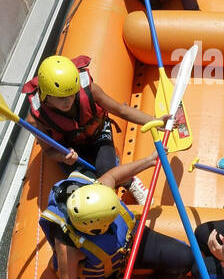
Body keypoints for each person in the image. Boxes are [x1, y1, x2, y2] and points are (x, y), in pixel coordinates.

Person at [40, 163, 194, 279]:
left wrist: (150, 160)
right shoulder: (68, 246)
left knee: (184, 257)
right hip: (99, 278)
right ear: (98, 228)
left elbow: (113, 176)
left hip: (126, 248)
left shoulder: (97, 192)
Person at [23, 54, 154, 193]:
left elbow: (121, 110)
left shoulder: (90, 90)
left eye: (72, 94)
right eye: (60, 98)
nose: (68, 101)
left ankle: (129, 181)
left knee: (107, 176)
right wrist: (63, 157)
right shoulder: (35, 119)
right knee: (86, 186)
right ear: (45, 95)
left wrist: (154, 121)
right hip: (70, 148)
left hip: (98, 133)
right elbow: (49, 150)